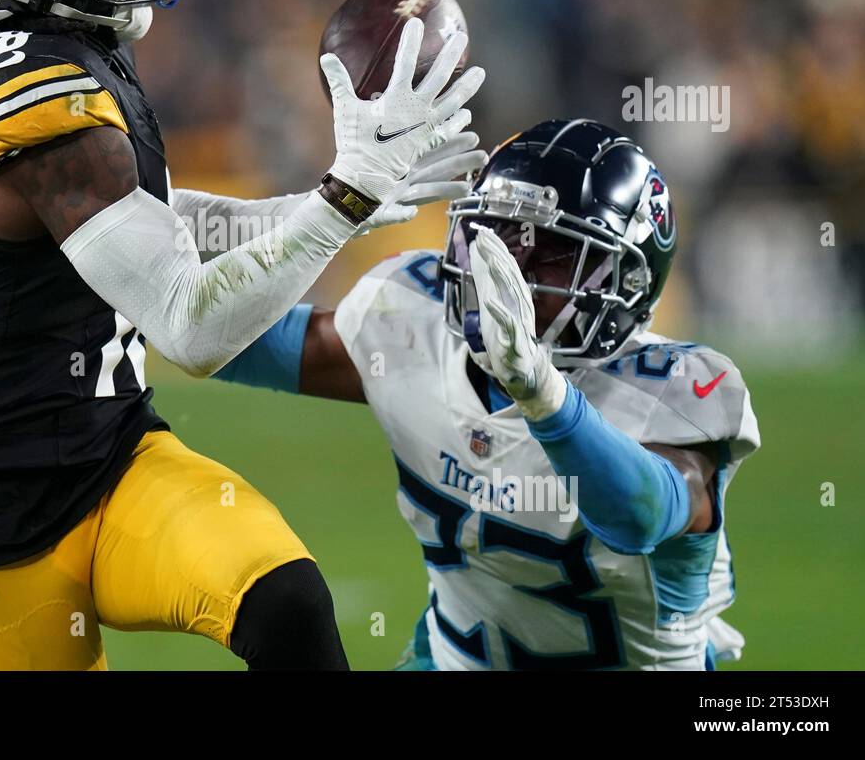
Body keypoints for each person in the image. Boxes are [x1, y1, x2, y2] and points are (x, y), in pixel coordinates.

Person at [0, 0, 485, 670]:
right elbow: (189, 326)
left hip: (112, 457)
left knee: (285, 601)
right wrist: (342, 201)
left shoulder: (59, 54)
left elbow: (161, 224)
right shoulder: (27, 86)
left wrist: (333, 202)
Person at [214, 119, 759, 669]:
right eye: (494, 237)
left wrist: (545, 397)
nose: (509, 272)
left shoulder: (670, 387)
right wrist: (142, 280)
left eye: (553, 252)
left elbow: (640, 518)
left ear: (624, 284)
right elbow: (224, 337)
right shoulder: (411, 321)